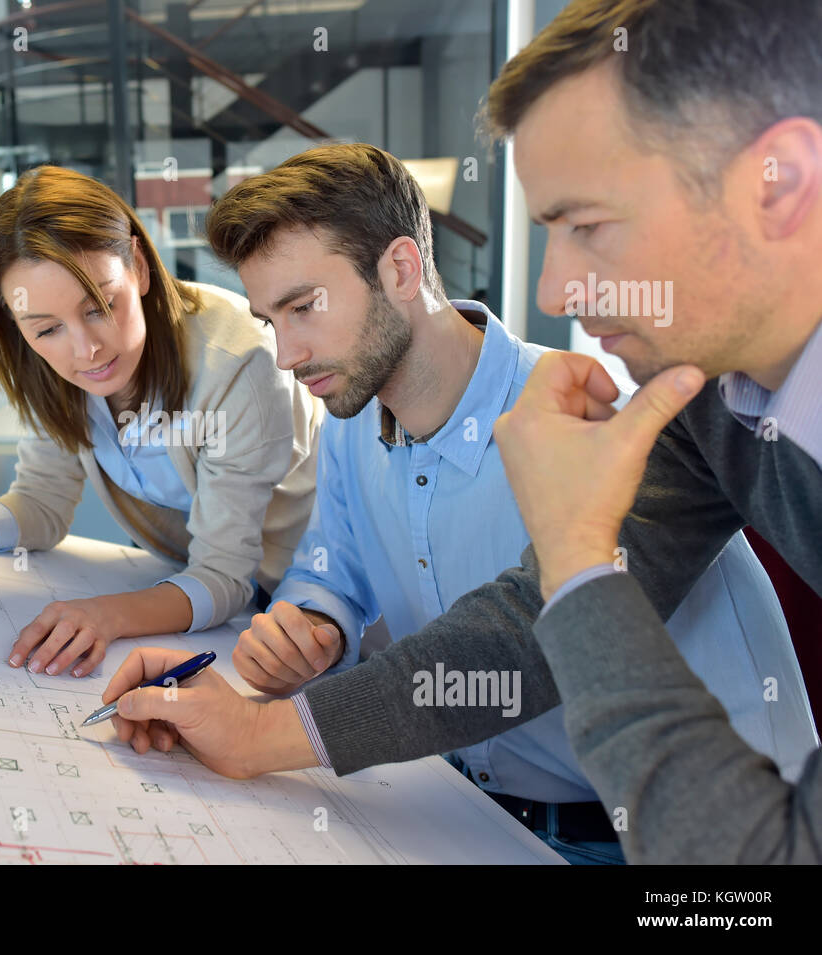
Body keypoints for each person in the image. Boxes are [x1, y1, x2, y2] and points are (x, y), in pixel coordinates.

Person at [96, 143, 818, 864]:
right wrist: (313, 619)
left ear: (402, 269)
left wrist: (263, 734)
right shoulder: (350, 429)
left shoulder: (581, 417)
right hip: (475, 812)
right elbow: (332, 572)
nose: (285, 353)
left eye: (304, 306)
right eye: (269, 320)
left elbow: (518, 643)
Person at [482, 0, 822, 862]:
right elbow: (525, 626)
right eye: (548, 235)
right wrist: (278, 729)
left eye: (587, 225)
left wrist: (575, 548)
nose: (553, 291)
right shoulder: (706, 391)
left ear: (778, 182)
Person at [0, 165, 320, 679]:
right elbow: (40, 507)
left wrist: (106, 615)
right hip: (200, 596)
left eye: (99, 306)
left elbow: (229, 576)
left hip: (304, 605)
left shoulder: (241, 364)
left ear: (136, 263)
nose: (87, 350)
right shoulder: (49, 368)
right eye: (46, 330)